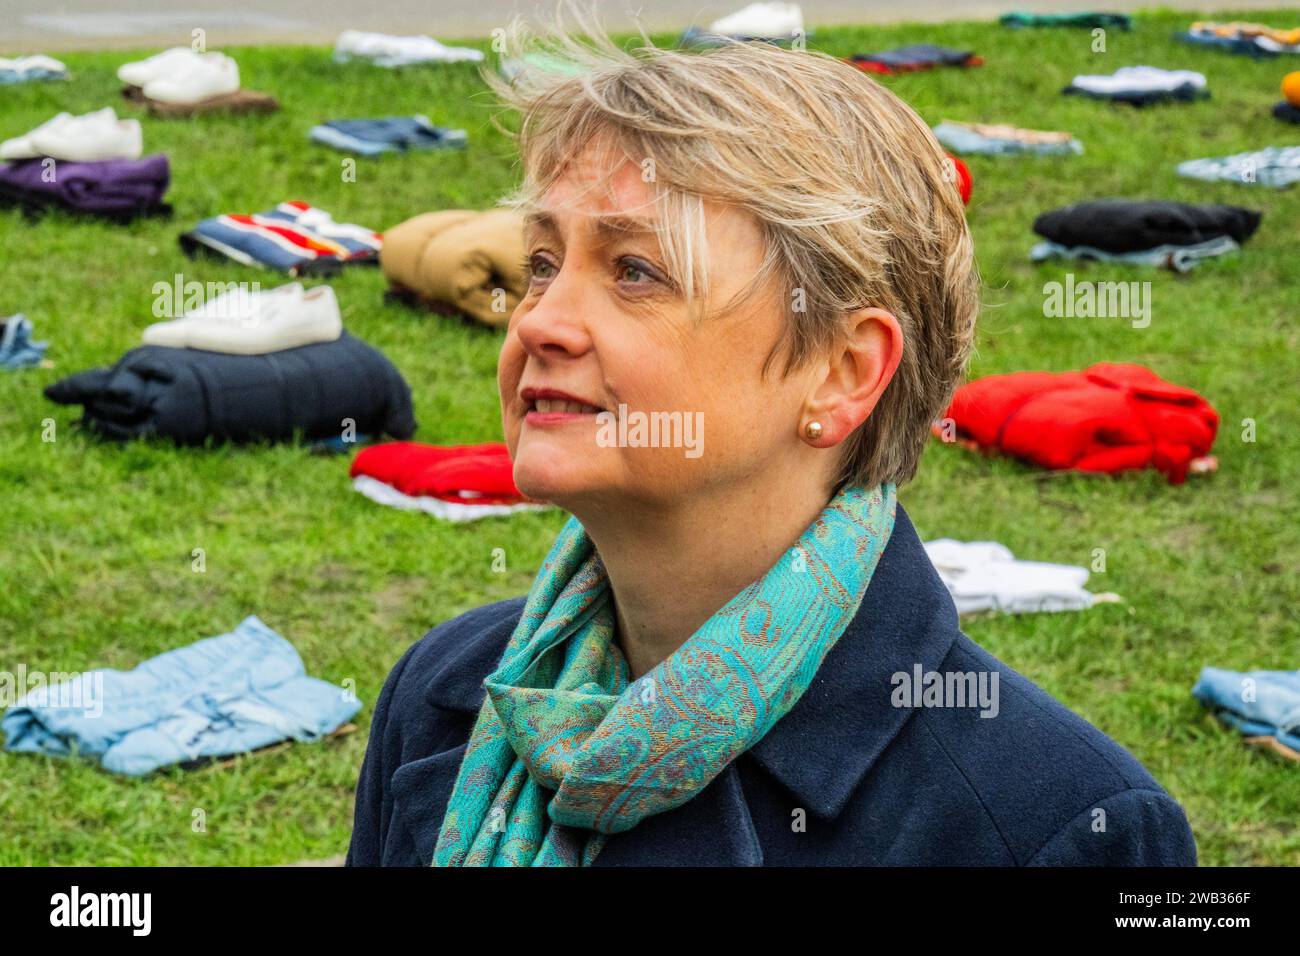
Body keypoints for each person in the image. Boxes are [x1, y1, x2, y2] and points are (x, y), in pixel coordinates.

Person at [346, 18, 1196, 867]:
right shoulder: (447, 692)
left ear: (842, 371)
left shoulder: (1057, 826)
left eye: (634, 271)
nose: (541, 321)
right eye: (541, 262)